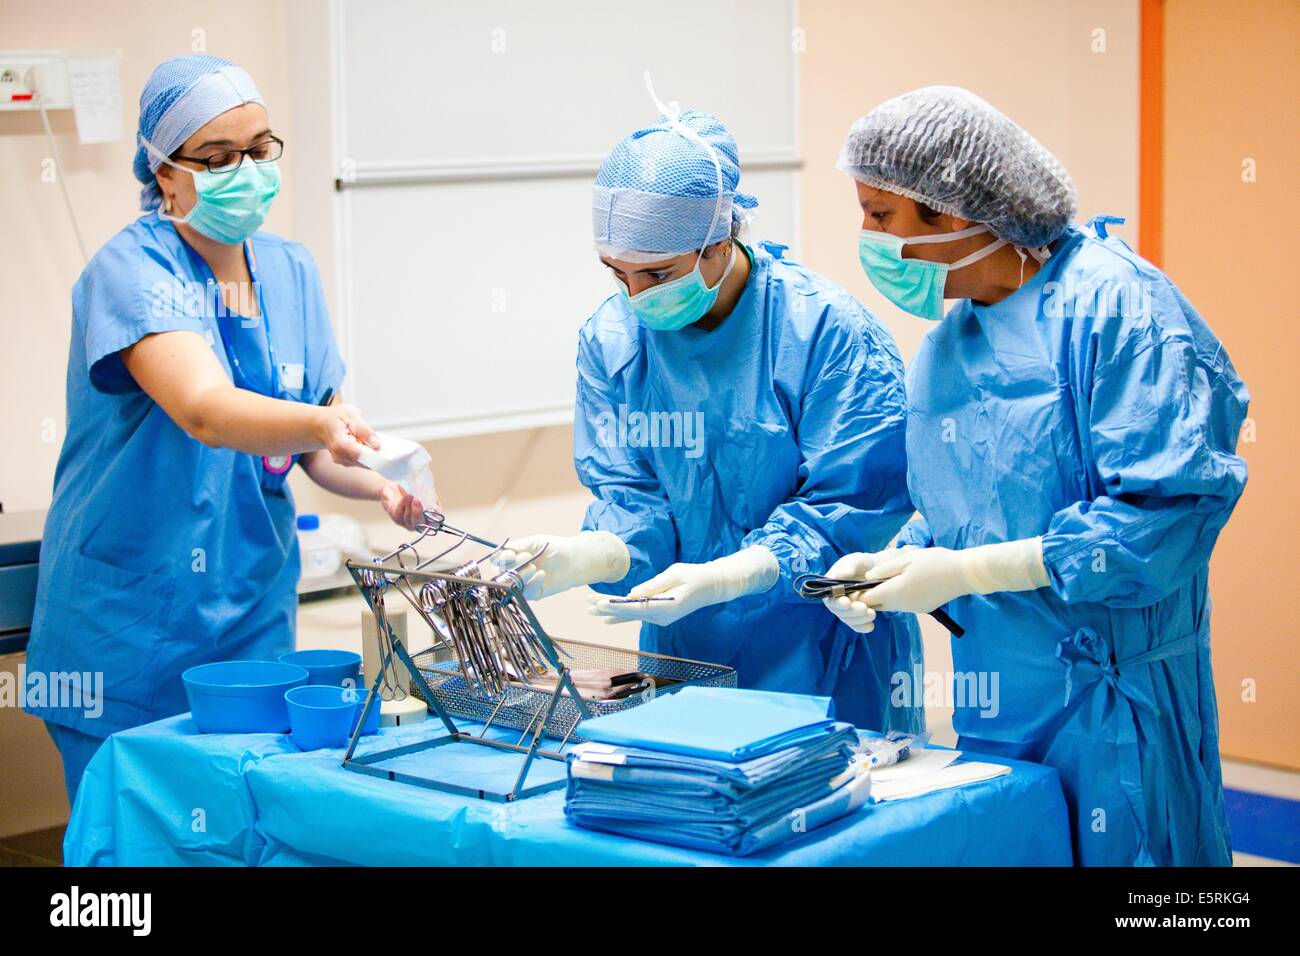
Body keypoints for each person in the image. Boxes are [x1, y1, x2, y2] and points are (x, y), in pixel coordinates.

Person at [825, 86, 1249, 865]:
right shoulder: (951, 343)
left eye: (880, 215)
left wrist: (971, 568)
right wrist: (901, 561)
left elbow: (1164, 515)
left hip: (1118, 703)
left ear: (951, 212)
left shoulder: (1118, 311)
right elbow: (968, 502)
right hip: (1001, 698)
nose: (867, 238)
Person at [24, 55, 426, 805]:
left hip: (247, 615)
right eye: (217, 158)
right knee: (134, 841)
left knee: (236, 825)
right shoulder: (133, 271)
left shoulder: (289, 270)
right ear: (165, 173)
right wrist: (322, 421)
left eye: (259, 149)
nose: (246, 170)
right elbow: (208, 410)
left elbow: (310, 446)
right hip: (124, 626)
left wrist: (379, 485)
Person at [496, 93, 923, 733]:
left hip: (822, 655)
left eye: (658, 273)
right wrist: (590, 554)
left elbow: (852, 512)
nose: (637, 298)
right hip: (684, 653)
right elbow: (634, 501)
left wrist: (734, 574)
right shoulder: (612, 343)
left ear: (720, 240)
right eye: (619, 275)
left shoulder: (825, 335)